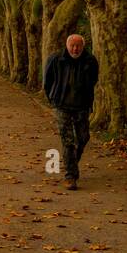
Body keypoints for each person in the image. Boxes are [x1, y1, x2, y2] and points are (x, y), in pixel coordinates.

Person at [43, 33, 99, 190]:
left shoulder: (90, 60)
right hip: (62, 105)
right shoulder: (55, 59)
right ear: (67, 45)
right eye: (72, 46)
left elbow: (94, 80)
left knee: (83, 138)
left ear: (83, 46)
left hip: (82, 106)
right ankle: (70, 176)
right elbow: (47, 81)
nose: (75, 49)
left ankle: (72, 161)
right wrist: (53, 100)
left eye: (78, 46)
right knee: (68, 141)